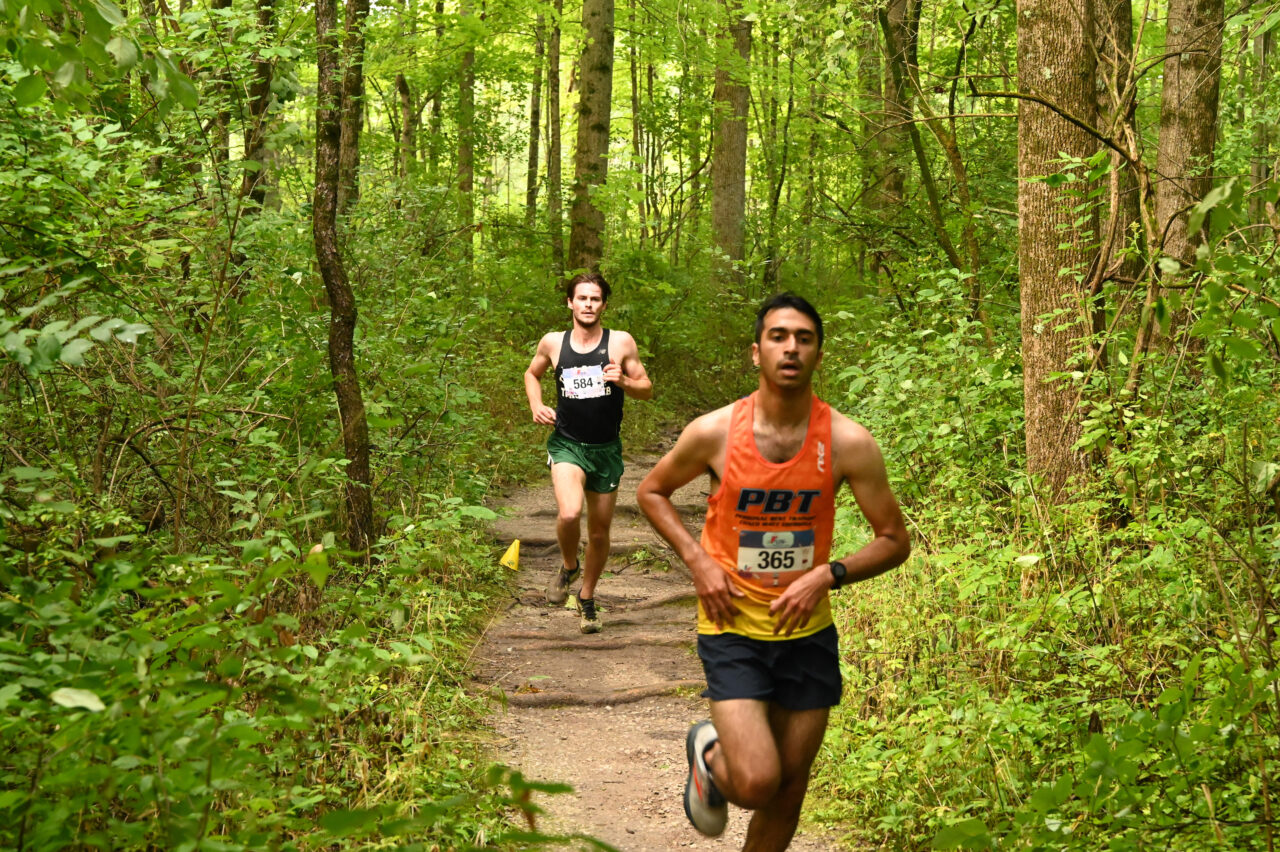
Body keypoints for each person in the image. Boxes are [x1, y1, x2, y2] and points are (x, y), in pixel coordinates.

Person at [637, 292, 910, 850]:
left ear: (818, 355)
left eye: (804, 339)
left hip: (807, 635)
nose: (791, 348)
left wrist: (826, 575)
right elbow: (652, 491)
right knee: (759, 782)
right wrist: (699, 563)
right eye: (779, 337)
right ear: (755, 353)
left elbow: (894, 541)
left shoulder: (847, 442)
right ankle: (711, 754)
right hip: (732, 624)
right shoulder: (715, 431)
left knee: (789, 794)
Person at [524, 271, 653, 634]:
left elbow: (646, 388)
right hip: (567, 443)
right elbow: (531, 374)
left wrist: (625, 381)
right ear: (570, 302)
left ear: (604, 305)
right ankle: (568, 566)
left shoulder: (620, 343)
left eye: (595, 299)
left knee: (598, 533)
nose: (588, 305)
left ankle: (587, 597)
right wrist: (537, 404)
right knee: (569, 513)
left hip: (605, 450)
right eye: (582, 298)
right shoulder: (553, 343)